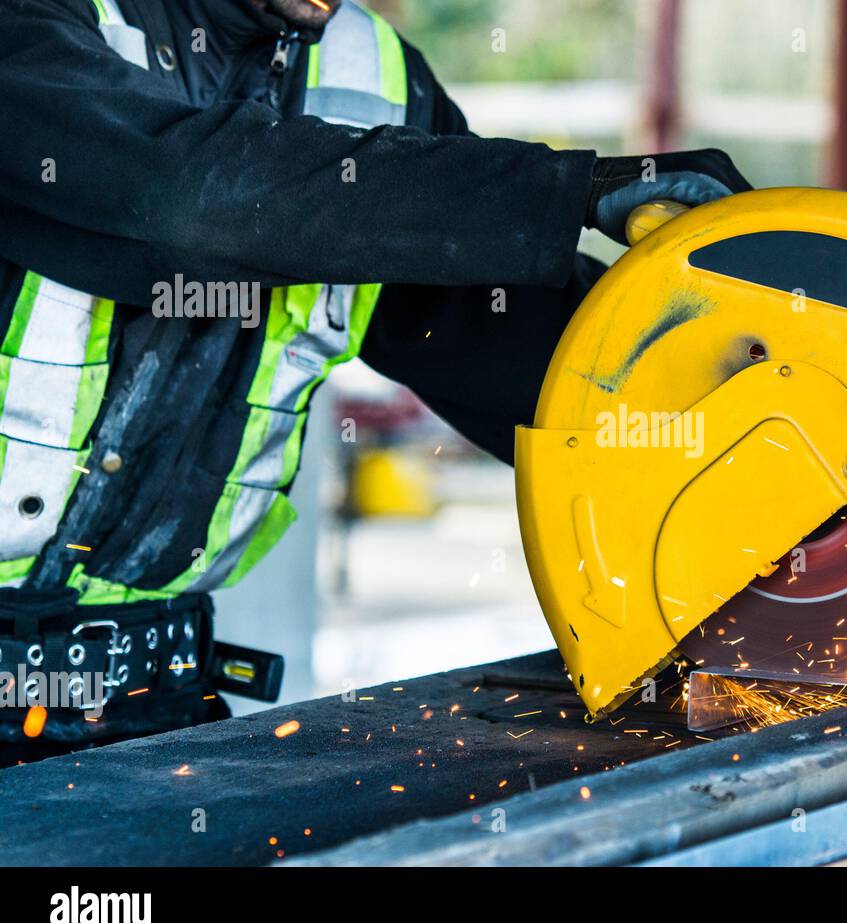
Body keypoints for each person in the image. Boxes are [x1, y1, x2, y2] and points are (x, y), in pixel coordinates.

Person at [0, 0, 751, 760]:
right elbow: (175, 201)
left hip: (149, 702)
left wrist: (740, 396)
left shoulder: (374, 80)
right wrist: (563, 192)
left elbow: (520, 351)